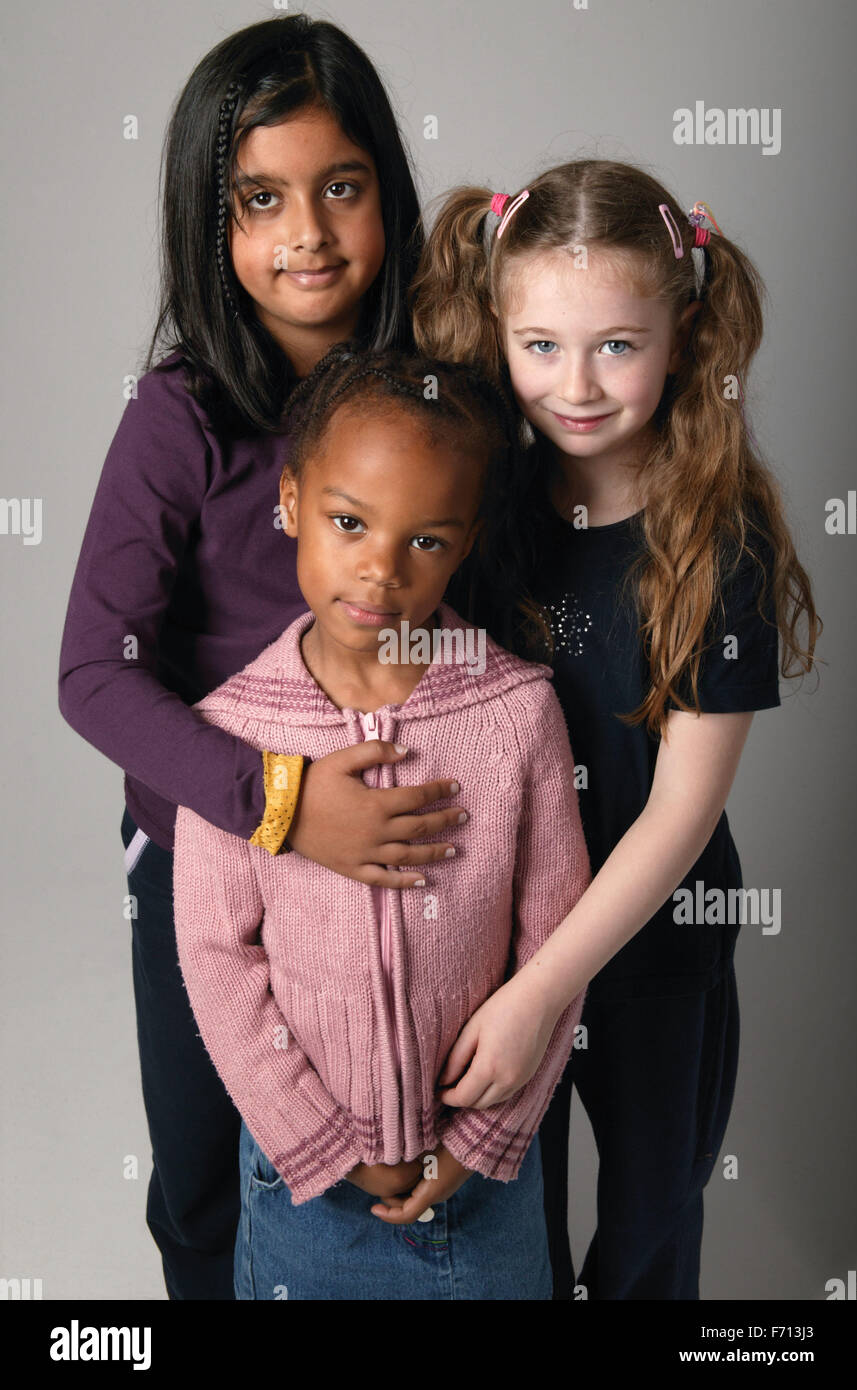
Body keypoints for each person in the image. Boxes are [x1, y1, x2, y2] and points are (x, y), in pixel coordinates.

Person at [57, 14, 469, 1301]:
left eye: (340, 189)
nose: (307, 234)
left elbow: (496, 621)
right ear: (210, 218)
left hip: (407, 854)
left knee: (418, 1145)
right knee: (206, 1177)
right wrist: (283, 806)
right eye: (261, 199)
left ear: (385, 198)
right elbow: (94, 676)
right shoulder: (177, 420)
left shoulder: (442, 402)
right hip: (210, 859)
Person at [409, 160, 821, 1298]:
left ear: (682, 334)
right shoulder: (480, 505)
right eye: (540, 344)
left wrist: (549, 989)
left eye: (617, 346)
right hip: (497, 942)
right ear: (497, 331)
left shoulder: (712, 535)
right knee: (512, 1228)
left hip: (652, 949)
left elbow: (685, 812)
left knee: (644, 1229)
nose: (575, 383)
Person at [171, 345, 591, 1300]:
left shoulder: (518, 711)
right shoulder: (234, 733)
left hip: (486, 1194)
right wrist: (322, 1144)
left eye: (427, 540)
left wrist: (487, 1137)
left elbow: (557, 941)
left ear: (470, 538)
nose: (380, 570)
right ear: (289, 501)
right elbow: (215, 955)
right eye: (349, 522)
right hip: (304, 1198)